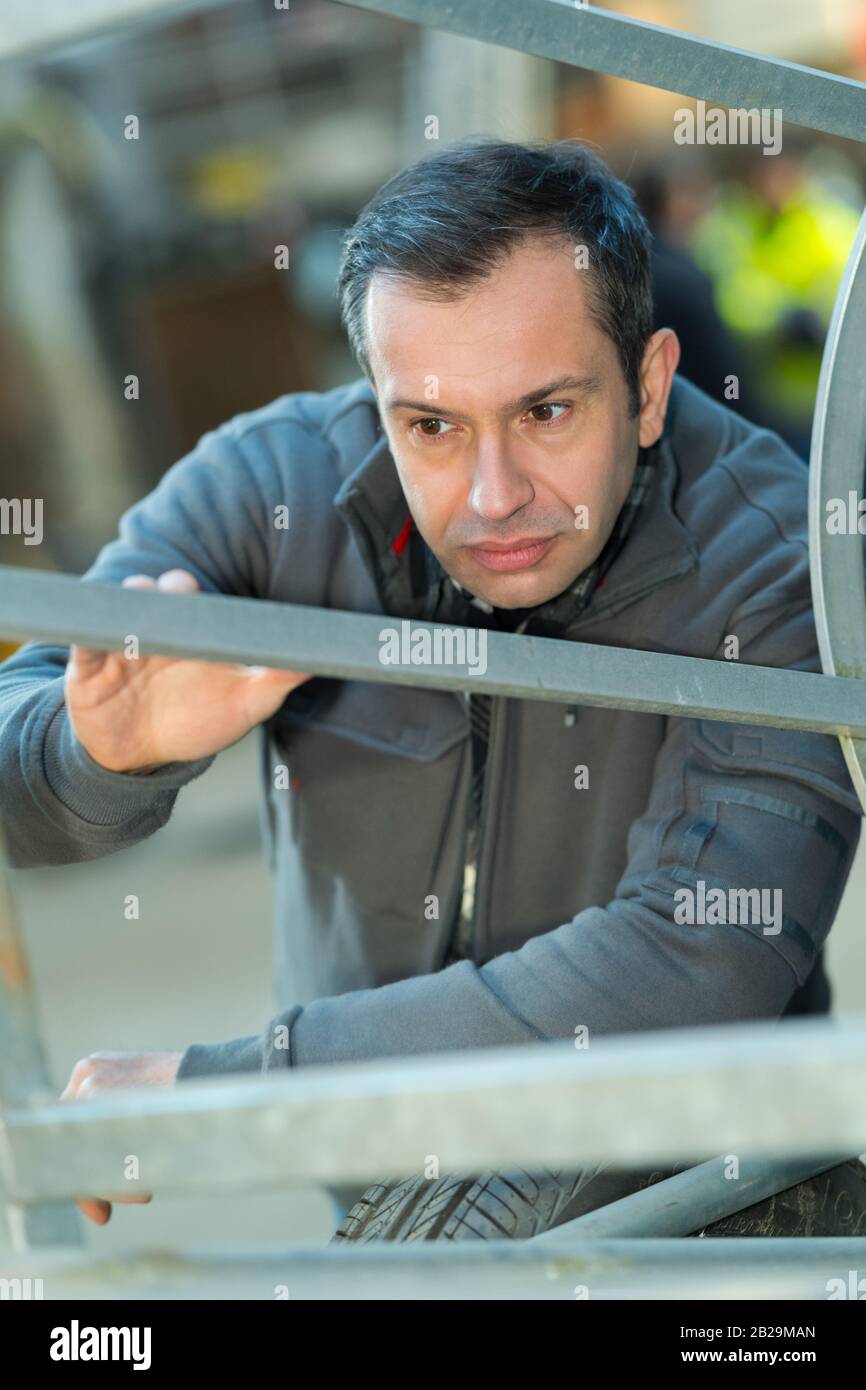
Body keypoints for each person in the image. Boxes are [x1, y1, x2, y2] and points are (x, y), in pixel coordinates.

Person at [1, 137, 863, 1241]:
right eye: (432, 426)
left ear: (647, 388)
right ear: (374, 398)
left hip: (716, 1197)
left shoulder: (769, 554)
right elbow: (16, 747)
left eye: (546, 411)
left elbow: (690, 963)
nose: (493, 495)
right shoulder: (274, 490)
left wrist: (246, 1080)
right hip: (390, 1201)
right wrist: (90, 754)